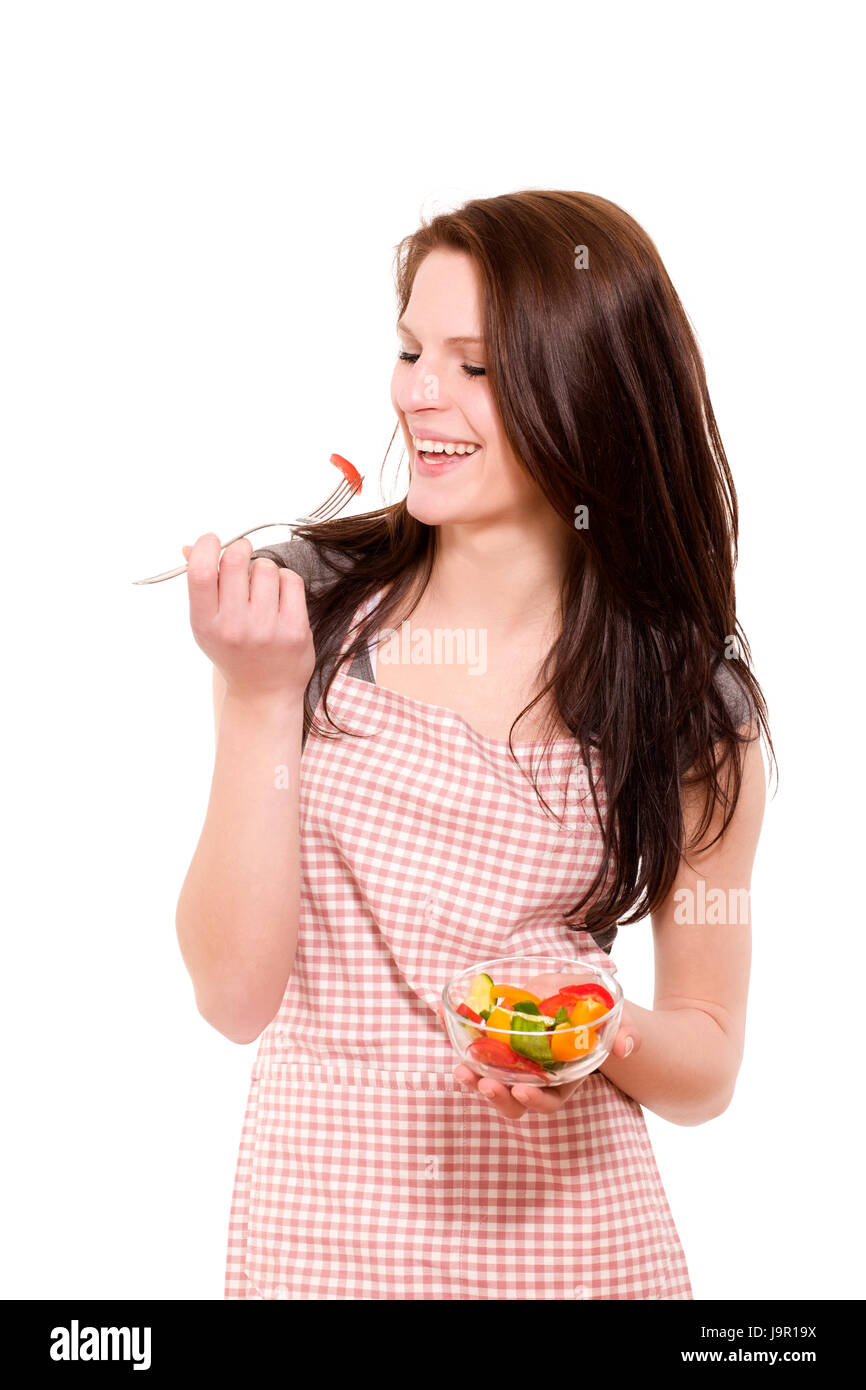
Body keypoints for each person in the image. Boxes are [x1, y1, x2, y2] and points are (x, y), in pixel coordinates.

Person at [175, 190, 772, 1301]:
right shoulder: (304, 614)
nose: (417, 394)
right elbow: (232, 996)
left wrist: (594, 1029)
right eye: (409, 350)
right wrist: (259, 698)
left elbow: (706, 1063)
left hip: (578, 1249)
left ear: (588, 390)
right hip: (322, 1230)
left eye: (475, 365)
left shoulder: (690, 705)